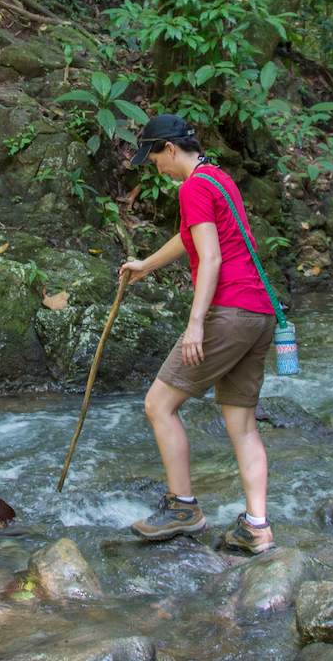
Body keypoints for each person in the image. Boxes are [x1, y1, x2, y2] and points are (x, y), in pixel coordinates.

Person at [118, 113, 278, 555]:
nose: (155, 168)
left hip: (227, 312)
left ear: (169, 149)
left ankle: (184, 507)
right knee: (241, 424)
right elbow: (195, 237)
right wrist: (146, 265)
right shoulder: (218, 179)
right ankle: (257, 527)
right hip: (259, 313)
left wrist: (194, 325)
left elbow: (210, 259)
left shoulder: (192, 187)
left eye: (153, 159)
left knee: (159, 404)